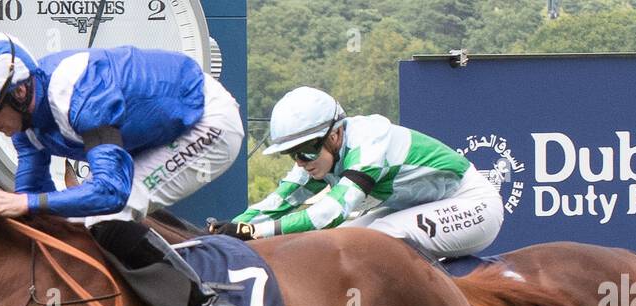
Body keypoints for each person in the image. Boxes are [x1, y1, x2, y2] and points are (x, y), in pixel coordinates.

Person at [0, 31, 248, 306]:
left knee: (111, 214)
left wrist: (24, 202)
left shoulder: (80, 94)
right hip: (159, 129)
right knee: (72, 220)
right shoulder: (26, 123)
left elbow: (110, 193)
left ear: (19, 92)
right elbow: (35, 204)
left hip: (205, 122)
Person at [214, 87, 503, 262]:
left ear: (335, 135)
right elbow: (275, 205)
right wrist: (223, 233)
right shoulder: (321, 153)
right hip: (424, 206)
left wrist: (254, 233)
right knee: (339, 241)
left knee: (374, 240)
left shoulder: (369, 143)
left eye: (306, 150)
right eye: (293, 153)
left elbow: (326, 215)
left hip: (473, 204)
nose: (301, 161)